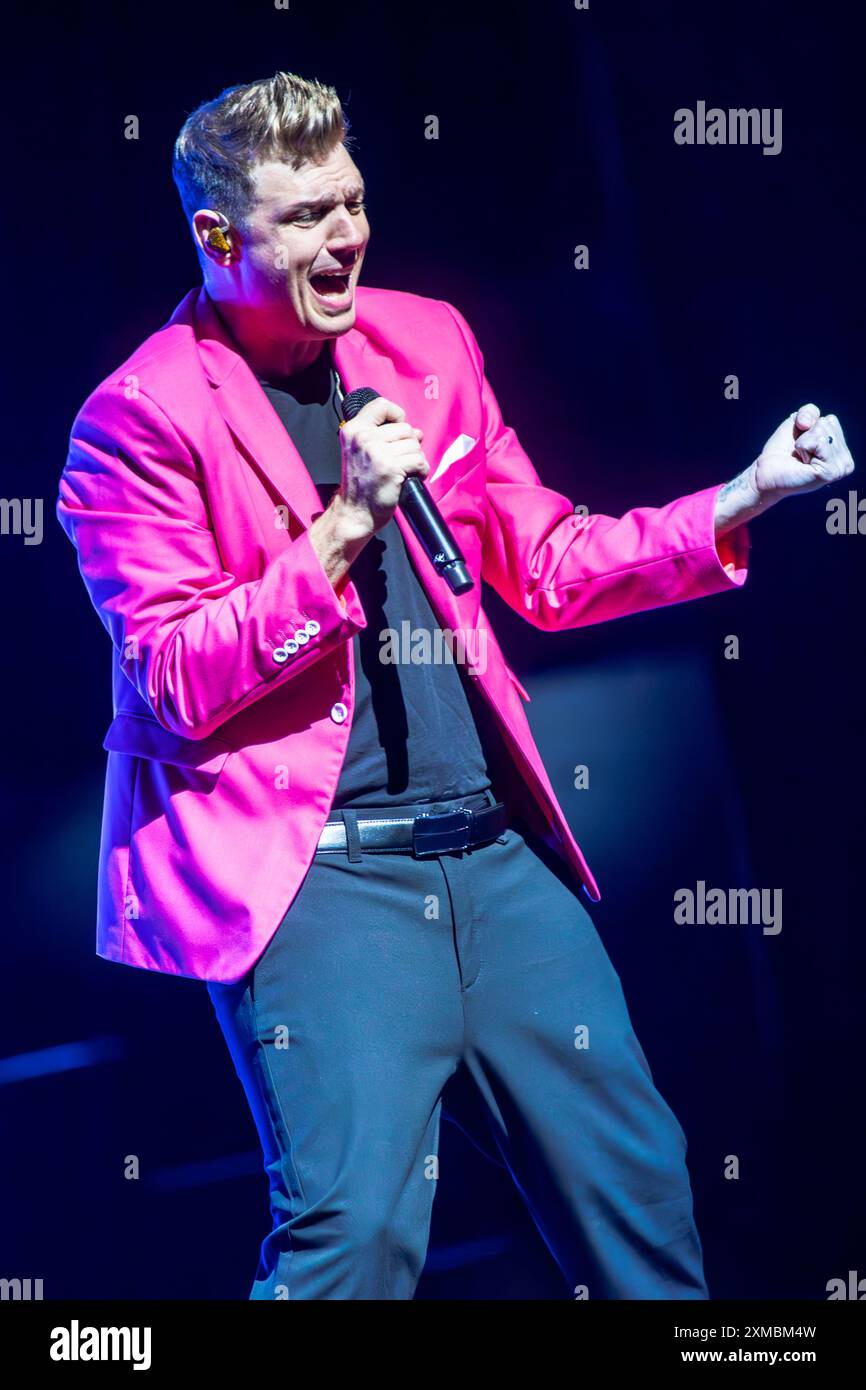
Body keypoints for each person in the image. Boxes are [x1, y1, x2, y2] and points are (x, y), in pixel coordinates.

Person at [57, 71, 853, 1300]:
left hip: (494, 857)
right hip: (321, 880)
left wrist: (740, 496)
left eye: (354, 201)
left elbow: (542, 559)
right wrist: (339, 527)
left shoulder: (422, 341)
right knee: (353, 1239)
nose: (345, 237)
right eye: (307, 215)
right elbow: (171, 679)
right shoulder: (138, 418)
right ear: (217, 238)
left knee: (638, 1191)